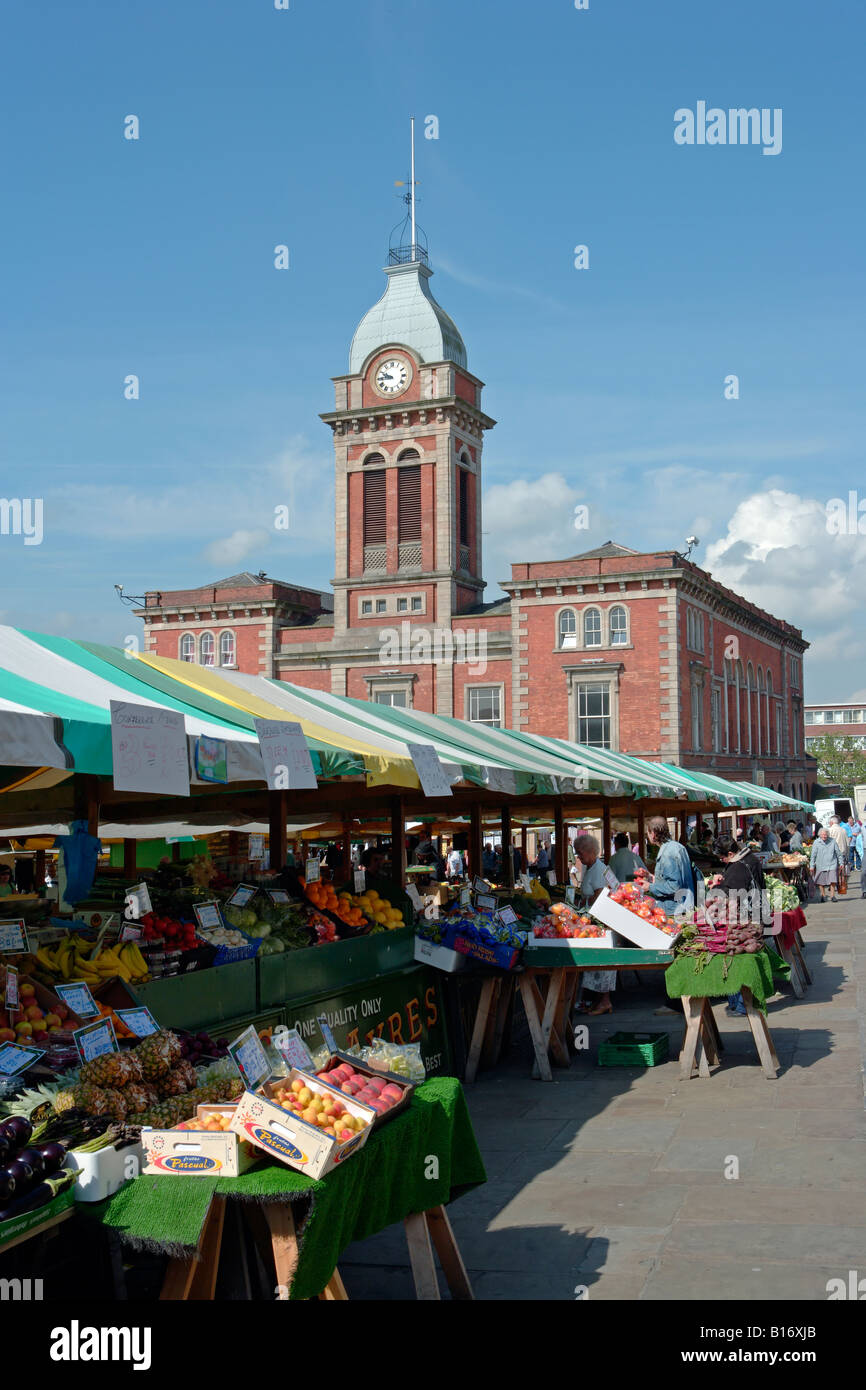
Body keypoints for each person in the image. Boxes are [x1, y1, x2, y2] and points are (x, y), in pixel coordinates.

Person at [711, 834, 767, 1016]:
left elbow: (731, 896)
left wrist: (714, 888)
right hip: (753, 915)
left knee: (738, 959)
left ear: (729, 853)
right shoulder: (747, 860)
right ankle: (737, 1003)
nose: (722, 861)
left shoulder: (738, 867)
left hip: (745, 920)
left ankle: (741, 1004)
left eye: (722, 858)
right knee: (738, 957)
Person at [573, 834, 615, 1015]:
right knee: (594, 964)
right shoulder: (590, 867)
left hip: (602, 921)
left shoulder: (598, 869)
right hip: (593, 921)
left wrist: (583, 903)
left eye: (581, 853)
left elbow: (600, 894)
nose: (578, 857)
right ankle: (595, 1000)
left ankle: (605, 1001)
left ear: (591, 852)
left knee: (602, 961)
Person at [644, 816, 697, 916]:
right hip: (685, 906)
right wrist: (655, 879)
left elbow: (674, 886)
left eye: (648, 832)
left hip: (673, 910)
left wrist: (650, 887)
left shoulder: (667, 853)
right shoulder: (678, 846)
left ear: (654, 834)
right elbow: (679, 878)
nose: (647, 835)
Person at [810, 827, 842, 903]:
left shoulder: (832, 841)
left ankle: (832, 896)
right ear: (820, 835)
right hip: (820, 864)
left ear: (828, 835)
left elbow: (838, 853)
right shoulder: (816, 842)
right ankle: (823, 895)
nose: (824, 836)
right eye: (823, 835)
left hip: (832, 863)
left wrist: (841, 862)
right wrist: (811, 865)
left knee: (833, 880)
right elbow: (813, 855)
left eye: (826, 834)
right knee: (821, 882)